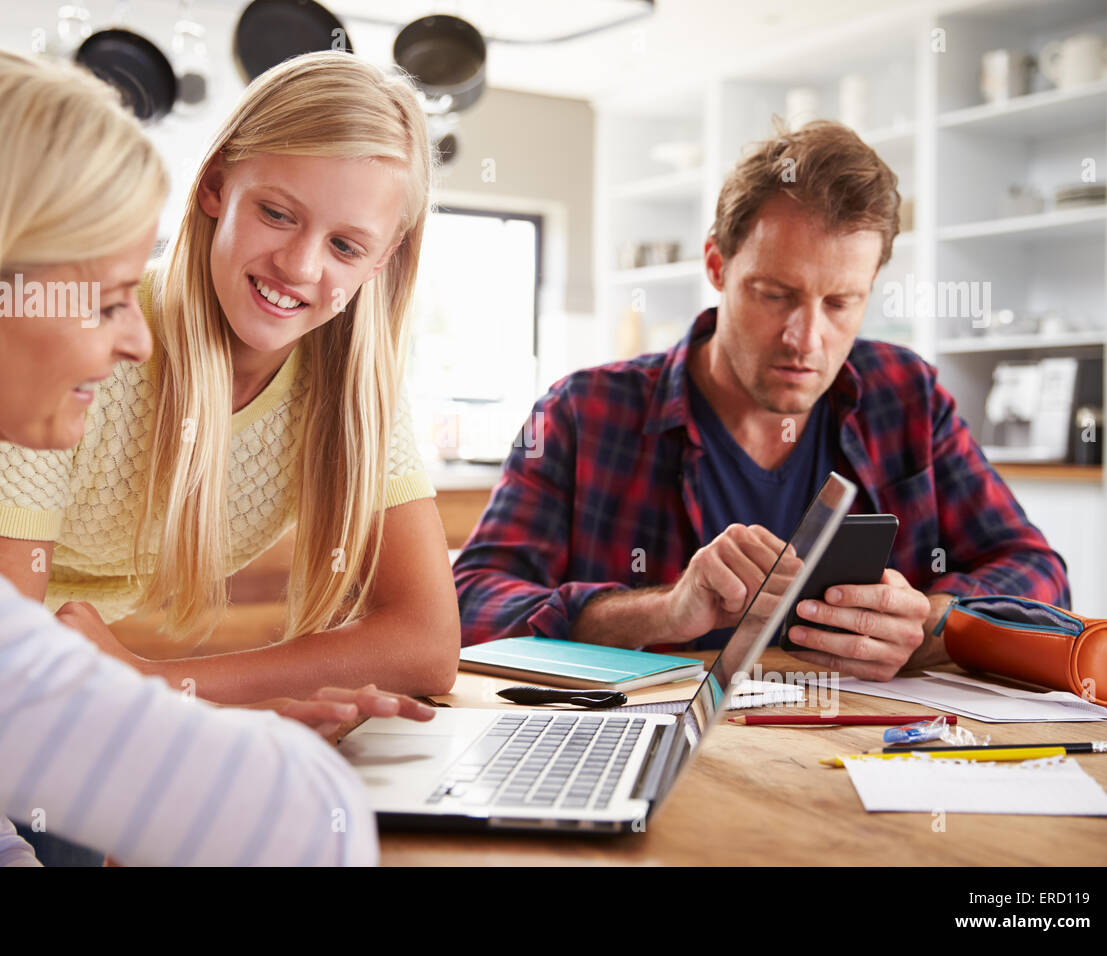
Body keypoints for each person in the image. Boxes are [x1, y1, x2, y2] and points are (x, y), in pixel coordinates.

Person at [0, 47, 429, 866]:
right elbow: (303, 827)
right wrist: (202, 721)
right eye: (110, 299)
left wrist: (172, 707)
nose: (136, 338)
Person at [453, 121, 1069, 682]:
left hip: (853, 759)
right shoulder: (582, 413)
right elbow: (468, 603)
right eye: (776, 294)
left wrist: (931, 624)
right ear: (717, 264)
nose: (806, 339)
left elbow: (1039, 574)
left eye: (840, 303)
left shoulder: (908, 396)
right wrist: (658, 613)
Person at [0, 51, 460, 706]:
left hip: (72, 688)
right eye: (277, 214)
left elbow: (425, 645)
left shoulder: (353, 392)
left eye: (345, 246)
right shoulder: (89, 333)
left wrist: (164, 685)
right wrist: (192, 707)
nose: (299, 267)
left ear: (383, 259)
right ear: (215, 184)